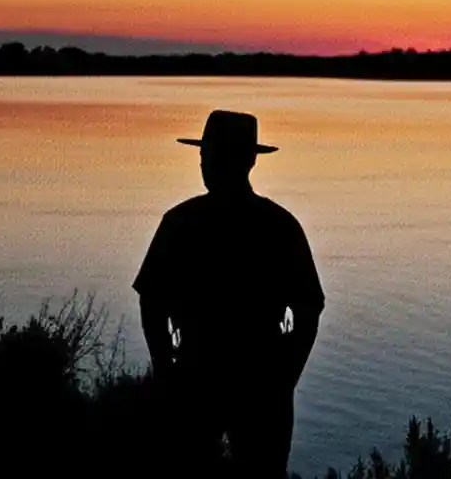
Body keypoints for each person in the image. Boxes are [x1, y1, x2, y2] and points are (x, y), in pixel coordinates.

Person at [133, 109, 325, 477]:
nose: (204, 164)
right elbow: (310, 308)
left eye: (210, 155)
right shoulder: (280, 225)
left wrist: (165, 373)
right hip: (259, 384)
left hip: (198, 379)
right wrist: (286, 377)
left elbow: (151, 301)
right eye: (204, 156)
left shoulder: (181, 222)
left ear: (242, 161)